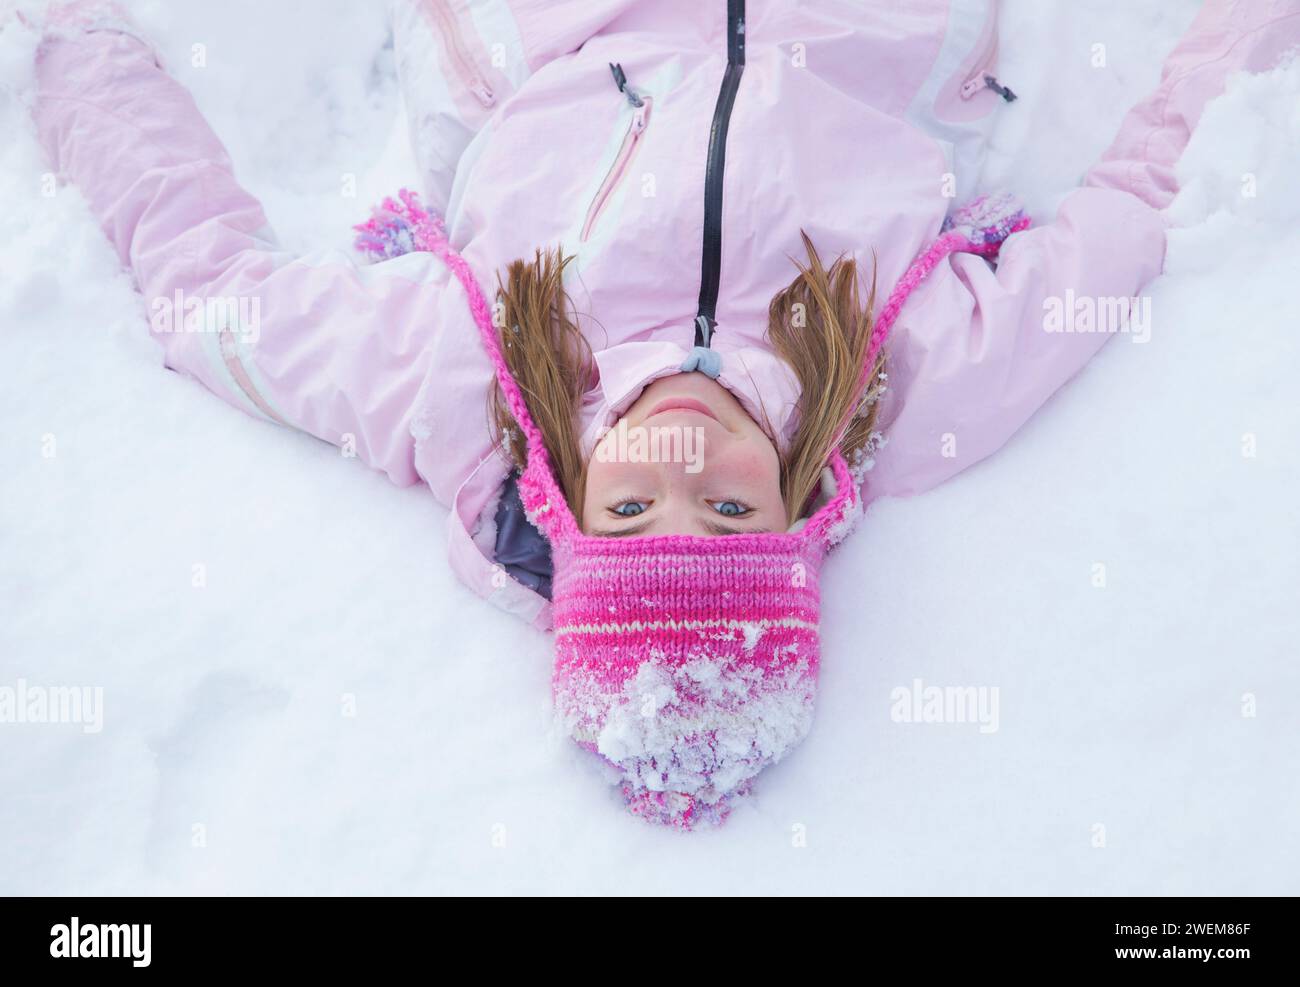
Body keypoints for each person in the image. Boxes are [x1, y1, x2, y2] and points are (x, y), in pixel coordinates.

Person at [26, 0, 1299, 826]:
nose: (682, 461)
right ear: (801, 509)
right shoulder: (909, 385)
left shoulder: (456, 381)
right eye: (729, 507)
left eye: (629, 508)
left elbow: (208, 297)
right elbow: (1136, 199)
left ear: (564, 503)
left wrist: (79, 54)